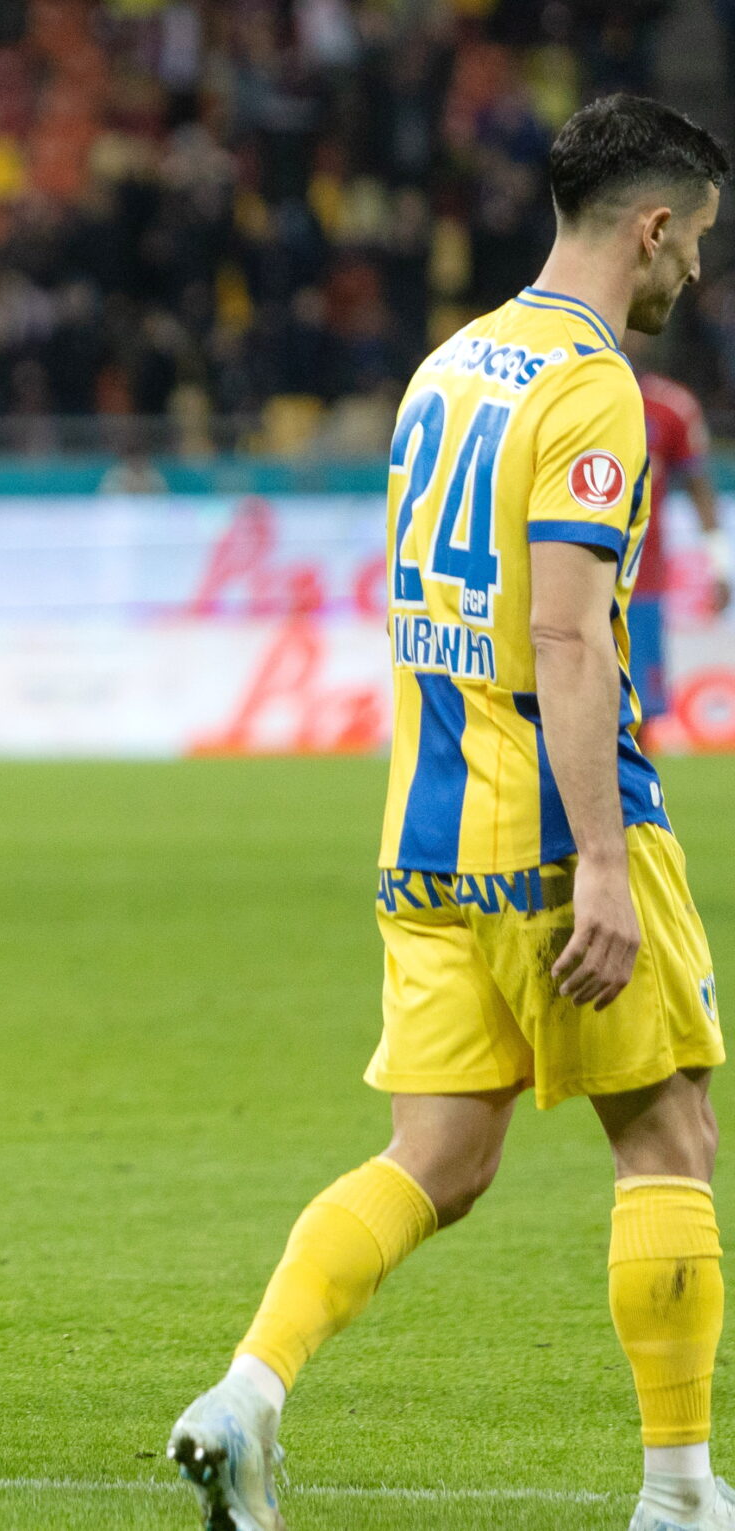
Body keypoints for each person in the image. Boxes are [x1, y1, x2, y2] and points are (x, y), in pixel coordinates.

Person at [166, 95, 733, 1531]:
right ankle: (679, 1493)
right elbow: (562, 633)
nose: (696, 280)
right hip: (550, 832)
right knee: (668, 1139)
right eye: (699, 245)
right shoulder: (593, 387)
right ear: (654, 225)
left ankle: (246, 1393)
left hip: (424, 831)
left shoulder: (448, 365)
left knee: (440, 1157)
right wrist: (603, 860)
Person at [633, 364, 730, 722]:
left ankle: (632, 782)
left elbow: (699, 487)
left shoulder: (669, 405)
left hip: (639, 585)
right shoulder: (562, 391)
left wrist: (719, 564)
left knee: (638, 710)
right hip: (566, 580)